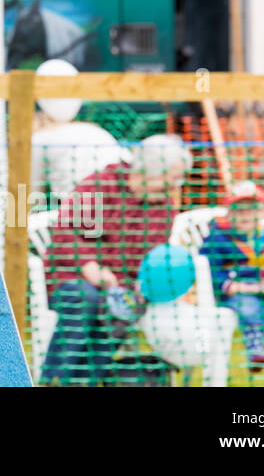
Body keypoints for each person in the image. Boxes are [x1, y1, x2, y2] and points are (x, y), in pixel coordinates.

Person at [38, 136, 192, 385]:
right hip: (71, 275)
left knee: (125, 309)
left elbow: (149, 260)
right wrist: (90, 266)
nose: (176, 185)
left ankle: (84, 381)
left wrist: (145, 283)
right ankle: (55, 379)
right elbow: (65, 232)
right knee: (87, 298)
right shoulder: (100, 186)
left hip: (120, 286)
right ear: (148, 172)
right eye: (172, 178)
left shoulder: (164, 209)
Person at [199, 181, 264, 373]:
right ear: (229, 213)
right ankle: (256, 352)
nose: (245, 215)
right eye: (239, 210)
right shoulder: (217, 238)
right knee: (249, 307)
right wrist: (228, 285)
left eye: (251, 209)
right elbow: (209, 269)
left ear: (262, 213)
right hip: (238, 293)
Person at [31, 58, 131, 197]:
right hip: (119, 207)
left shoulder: (39, 139)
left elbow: (30, 195)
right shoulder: (96, 132)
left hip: (82, 212)